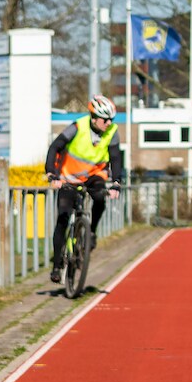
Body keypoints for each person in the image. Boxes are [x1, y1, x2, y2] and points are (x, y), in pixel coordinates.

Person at [44, 95, 123, 284]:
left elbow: (115, 158)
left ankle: (91, 232)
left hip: (94, 176)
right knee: (63, 218)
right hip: (68, 177)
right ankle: (56, 265)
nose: (108, 123)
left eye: (111, 120)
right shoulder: (78, 127)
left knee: (100, 198)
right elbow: (55, 147)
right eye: (105, 120)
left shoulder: (112, 131)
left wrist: (117, 182)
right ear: (94, 117)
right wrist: (51, 174)